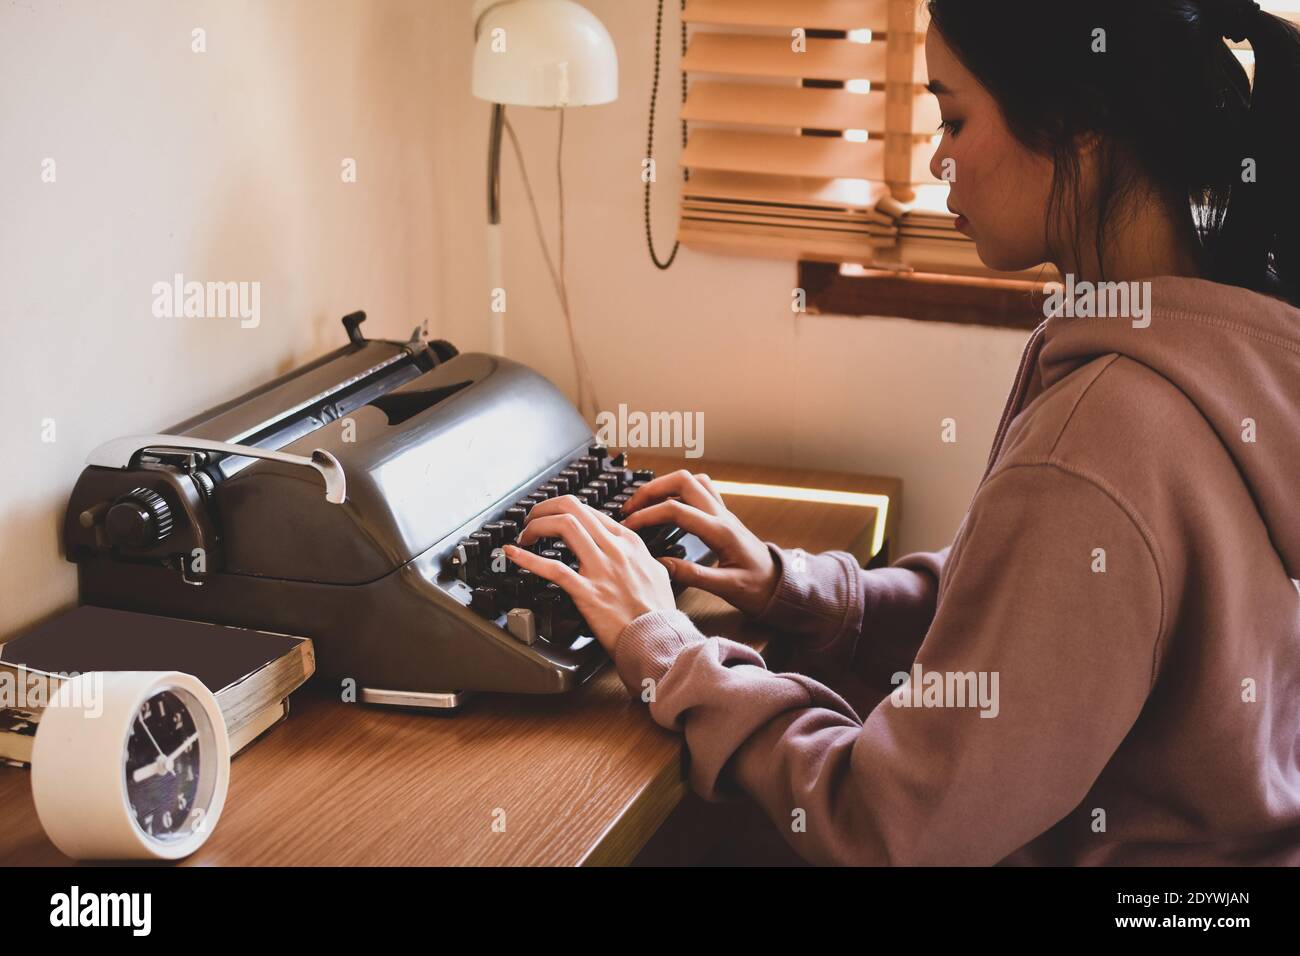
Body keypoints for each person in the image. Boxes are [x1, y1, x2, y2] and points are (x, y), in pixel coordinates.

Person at [503, 0, 1300, 865]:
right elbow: (1029, 633)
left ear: (1075, 127)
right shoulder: (1227, 348)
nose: (937, 156)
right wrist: (795, 587)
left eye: (955, 117)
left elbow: (887, 829)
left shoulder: (1100, 441)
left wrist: (664, 647)